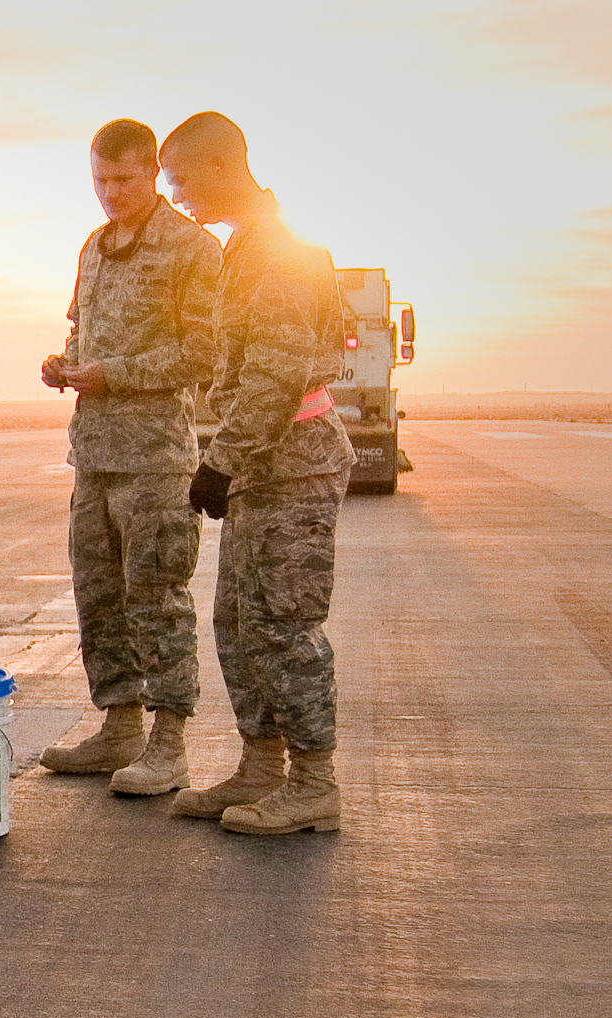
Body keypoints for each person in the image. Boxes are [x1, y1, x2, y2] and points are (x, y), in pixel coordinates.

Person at [158, 112, 354, 834]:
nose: (175, 193)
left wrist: (221, 462)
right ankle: (262, 764)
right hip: (261, 465)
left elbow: (274, 377)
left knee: (284, 623)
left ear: (217, 166)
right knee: (239, 623)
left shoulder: (278, 254)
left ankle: (313, 780)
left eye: (179, 177)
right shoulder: (244, 248)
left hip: (291, 460)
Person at [38, 118, 223, 796]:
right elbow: (83, 328)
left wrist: (118, 373)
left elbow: (205, 351)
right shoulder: (94, 247)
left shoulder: (192, 249)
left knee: (156, 598)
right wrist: (70, 363)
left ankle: (168, 741)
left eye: (124, 179)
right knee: (99, 597)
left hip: (154, 458)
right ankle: (118, 725)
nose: (111, 193)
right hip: (94, 455)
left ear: (152, 173)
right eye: (100, 181)